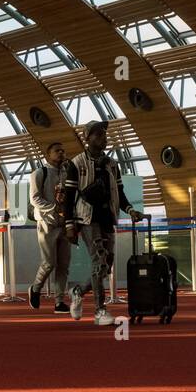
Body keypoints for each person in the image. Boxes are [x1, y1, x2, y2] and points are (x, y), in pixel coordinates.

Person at [62, 121, 144, 326]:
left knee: (106, 266)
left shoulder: (112, 164)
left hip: (108, 218)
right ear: (87, 138)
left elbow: (120, 192)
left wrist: (130, 209)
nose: (103, 138)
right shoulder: (76, 164)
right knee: (99, 262)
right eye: (98, 134)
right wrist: (69, 225)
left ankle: (78, 291)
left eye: (104, 134)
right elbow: (68, 196)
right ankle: (100, 311)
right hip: (88, 220)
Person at [28, 141, 72, 314]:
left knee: (64, 265)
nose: (61, 153)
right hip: (47, 223)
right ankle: (36, 287)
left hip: (65, 224)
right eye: (57, 151)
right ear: (48, 154)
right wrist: (54, 208)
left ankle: (59, 301)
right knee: (49, 263)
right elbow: (34, 199)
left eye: (63, 150)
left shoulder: (67, 173)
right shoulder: (39, 173)